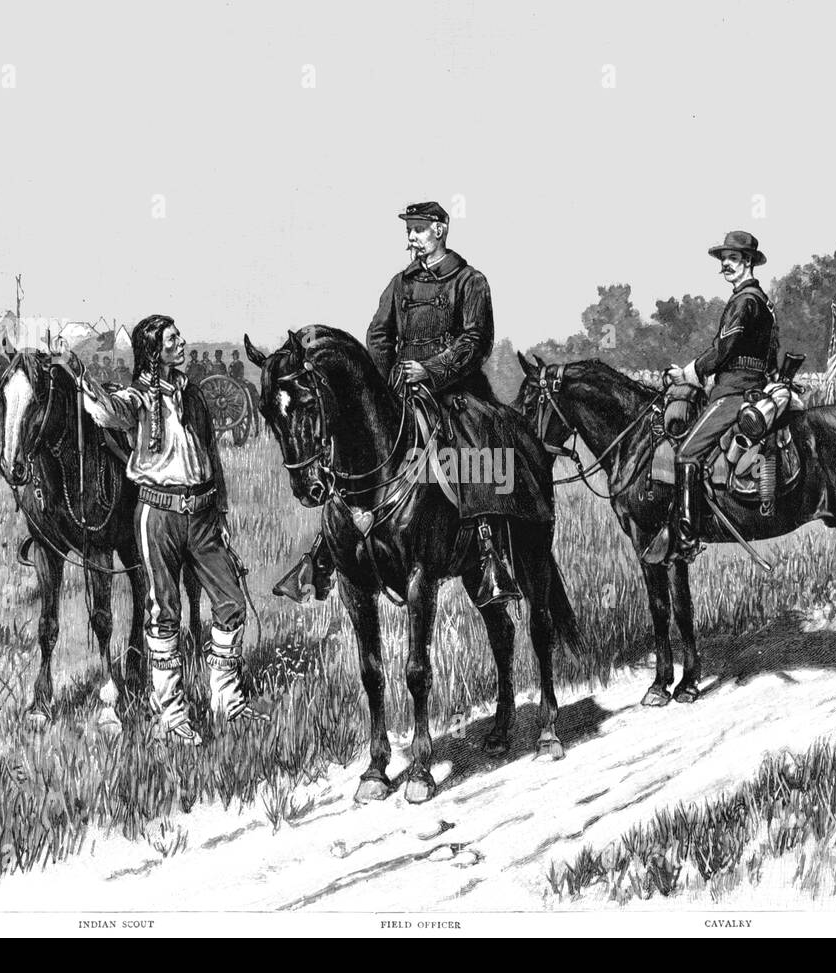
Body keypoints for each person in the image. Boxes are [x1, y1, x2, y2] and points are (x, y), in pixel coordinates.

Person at [275, 199, 552, 602]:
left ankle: (490, 550)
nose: (411, 237)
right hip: (404, 388)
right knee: (356, 448)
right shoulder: (400, 283)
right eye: (408, 229)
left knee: (480, 445)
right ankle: (323, 554)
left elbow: (476, 341)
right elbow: (378, 335)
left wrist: (432, 370)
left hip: (457, 391)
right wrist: (392, 378)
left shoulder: (470, 281)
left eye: (419, 229)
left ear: (440, 229)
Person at [76, 314, 263, 745]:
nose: (181, 344)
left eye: (179, 337)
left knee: (231, 601)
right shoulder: (137, 396)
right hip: (158, 514)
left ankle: (226, 701)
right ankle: (171, 715)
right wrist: (86, 383)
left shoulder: (193, 394)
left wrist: (221, 508)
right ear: (155, 350)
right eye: (172, 340)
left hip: (201, 514)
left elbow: (210, 452)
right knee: (163, 614)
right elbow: (109, 413)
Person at [653, 230, 778, 562]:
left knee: (686, 454)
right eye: (723, 259)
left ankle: (686, 537)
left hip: (735, 393)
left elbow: (724, 349)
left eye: (732, 258)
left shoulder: (745, 301)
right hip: (744, 388)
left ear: (748, 262)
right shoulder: (762, 302)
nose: (725, 264)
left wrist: (687, 374)